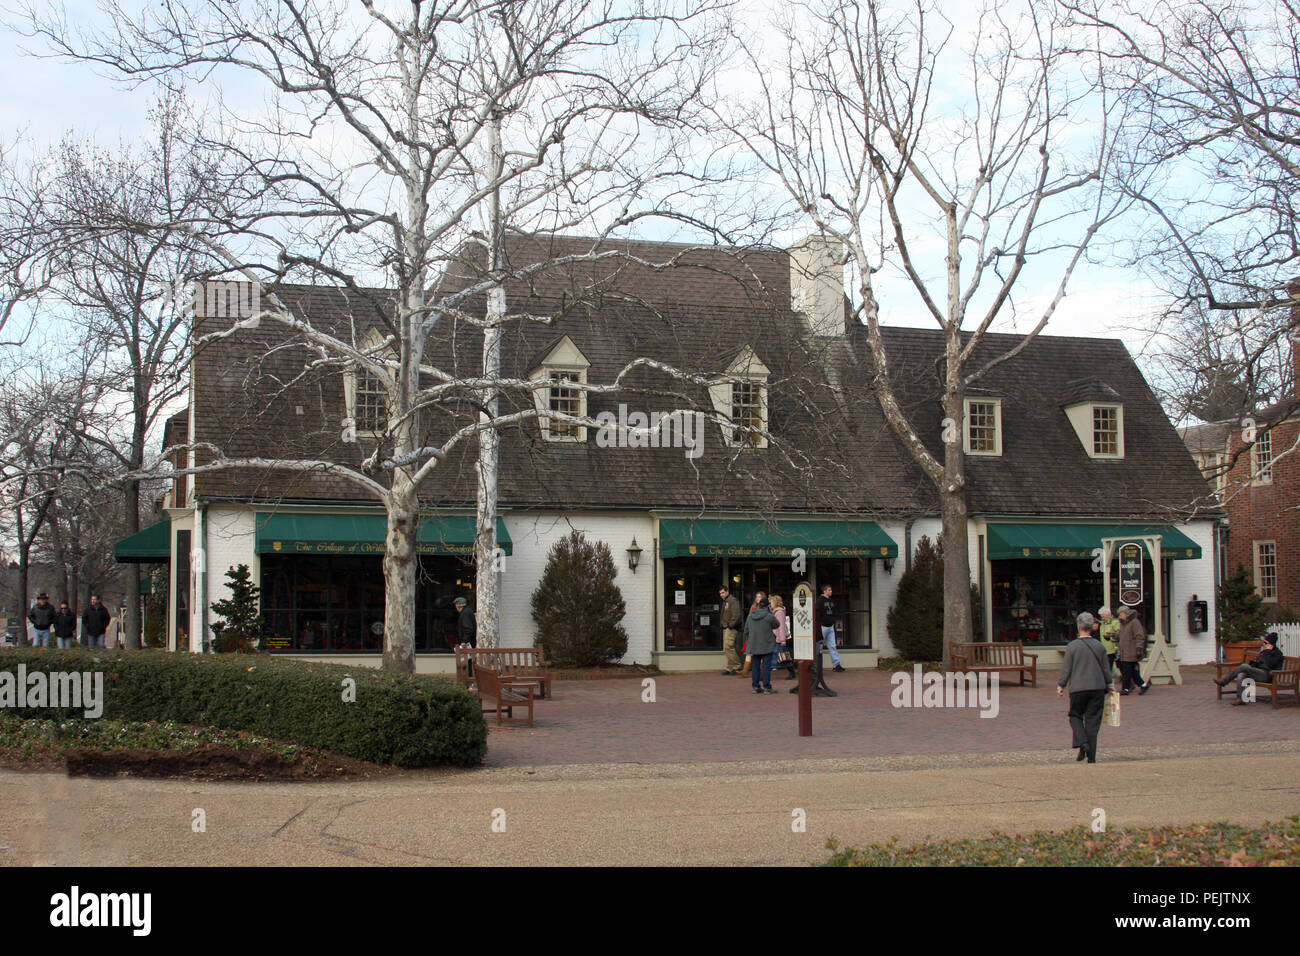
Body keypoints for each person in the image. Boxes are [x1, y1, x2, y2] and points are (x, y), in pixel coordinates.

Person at [1057, 611, 1113, 763]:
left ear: (1079, 626)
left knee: (1075, 716)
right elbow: (1106, 669)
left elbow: (1067, 669)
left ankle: (1083, 742)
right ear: (1092, 627)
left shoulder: (1072, 646)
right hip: (1097, 688)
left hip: (1078, 688)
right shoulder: (1100, 647)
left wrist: (1061, 685)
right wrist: (1110, 684)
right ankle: (1091, 756)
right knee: (1093, 721)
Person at [1216, 632, 1286, 704]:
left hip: (1268, 675)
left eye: (1266, 643)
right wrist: (1254, 664)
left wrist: (1267, 652)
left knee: (1244, 666)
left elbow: (1270, 664)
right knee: (1241, 674)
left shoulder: (1277, 653)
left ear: (1271, 644)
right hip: (1259, 673)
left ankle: (1225, 681)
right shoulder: (1264, 652)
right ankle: (1241, 699)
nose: (1263, 644)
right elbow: (1259, 663)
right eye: (1263, 642)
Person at [744, 591, 780, 694]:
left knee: (755, 666)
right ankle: (767, 687)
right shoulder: (769, 616)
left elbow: (746, 630)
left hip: (754, 645)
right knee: (766, 666)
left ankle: (755, 686)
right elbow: (777, 624)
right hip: (766, 644)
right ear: (767, 607)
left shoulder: (751, 616)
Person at [1116, 605, 1151, 695]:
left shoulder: (1134, 622)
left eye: (1121, 614)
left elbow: (1139, 636)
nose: (1120, 616)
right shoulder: (1123, 623)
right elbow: (1120, 635)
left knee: (1127, 670)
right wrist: (1113, 636)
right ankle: (1143, 685)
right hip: (1125, 651)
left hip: (1131, 651)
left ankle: (1126, 689)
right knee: (1131, 671)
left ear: (1126, 614)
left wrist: (1139, 649)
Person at [818, 584, 844, 672]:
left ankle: (836, 665)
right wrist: (820, 623)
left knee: (832, 646)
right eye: (829, 590)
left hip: (831, 626)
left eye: (831, 590)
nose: (831, 591)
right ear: (824, 591)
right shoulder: (820, 601)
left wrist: (833, 620)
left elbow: (834, 611)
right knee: (819, 646)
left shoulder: (831, 601)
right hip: (823, 626)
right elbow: (817, 613)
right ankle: (817, 665)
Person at [770, 594, 796, 679]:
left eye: (772, 602)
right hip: (777, 638)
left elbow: (781, 627)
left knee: (779, 656)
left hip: (778, 638)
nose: (771, 604)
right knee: (783, 656)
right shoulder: (776, 612)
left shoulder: (779, 613)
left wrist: (782, 639)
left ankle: (765, 673)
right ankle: (791, 671)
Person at [719, 586, 743, 676]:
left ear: (727, 592)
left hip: (731, 628)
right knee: (727, 648)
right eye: (720, 593)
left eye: (723, 592)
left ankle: (737, 666)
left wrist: (730, 625)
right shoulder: (726, 601)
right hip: (726, 627)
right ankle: (730, 667)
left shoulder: (733, 601)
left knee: (728, 647)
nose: (721, 595)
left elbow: (736, 615)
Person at [1097, 606, 1120, 676]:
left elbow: (1119, 634)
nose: (1102, 618)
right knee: (1107, 667)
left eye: (1103, 616)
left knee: (1115, 666)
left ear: (1108, 615)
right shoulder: (1102, 624)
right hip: (1104, 648)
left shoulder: (1115, 622)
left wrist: (1110, 637)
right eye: (1101, 616)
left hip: (1114, 649)